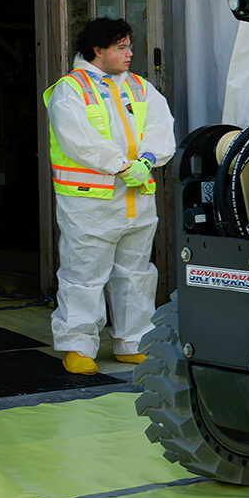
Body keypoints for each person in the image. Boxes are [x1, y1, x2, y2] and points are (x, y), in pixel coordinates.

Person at [44, 18, 175, 375]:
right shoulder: (70, 90)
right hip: (90, 203)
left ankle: (132, 342)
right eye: (121, 47)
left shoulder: (140, 87)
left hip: (137, 200)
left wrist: (147, 162)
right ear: (97, 51)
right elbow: (79, 140)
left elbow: (162, 129)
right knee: (83, 275)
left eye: (129, 45)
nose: (130, 53)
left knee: (136, 274)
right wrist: (121, 166)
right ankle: (77, 345)